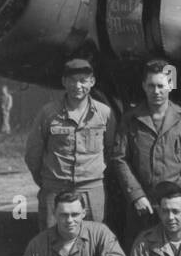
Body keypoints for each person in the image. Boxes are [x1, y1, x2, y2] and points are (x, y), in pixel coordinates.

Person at [111, 59, 181, 249]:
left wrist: (178, 195)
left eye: (161, 85)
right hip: (142, 206)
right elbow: (120, 159)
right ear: (144, 86)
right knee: (139, 254)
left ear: (170, 85)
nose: (156, 91)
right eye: (151, 85)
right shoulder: (131, 119)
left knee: (179, 253)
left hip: (175, 206)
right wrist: (136, 195)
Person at [24, 57, 115, 225]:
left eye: (83, 81)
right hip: (55, 189)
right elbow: (33, 153)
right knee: (51, 240)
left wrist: (95, 176)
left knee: (92, 239)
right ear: (64, 82)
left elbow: (110, 150)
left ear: (92, 82)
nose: (77, 86)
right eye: (72, 81)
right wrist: (46, 180)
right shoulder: (48, 113)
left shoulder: (104, 114)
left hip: (91, 190)